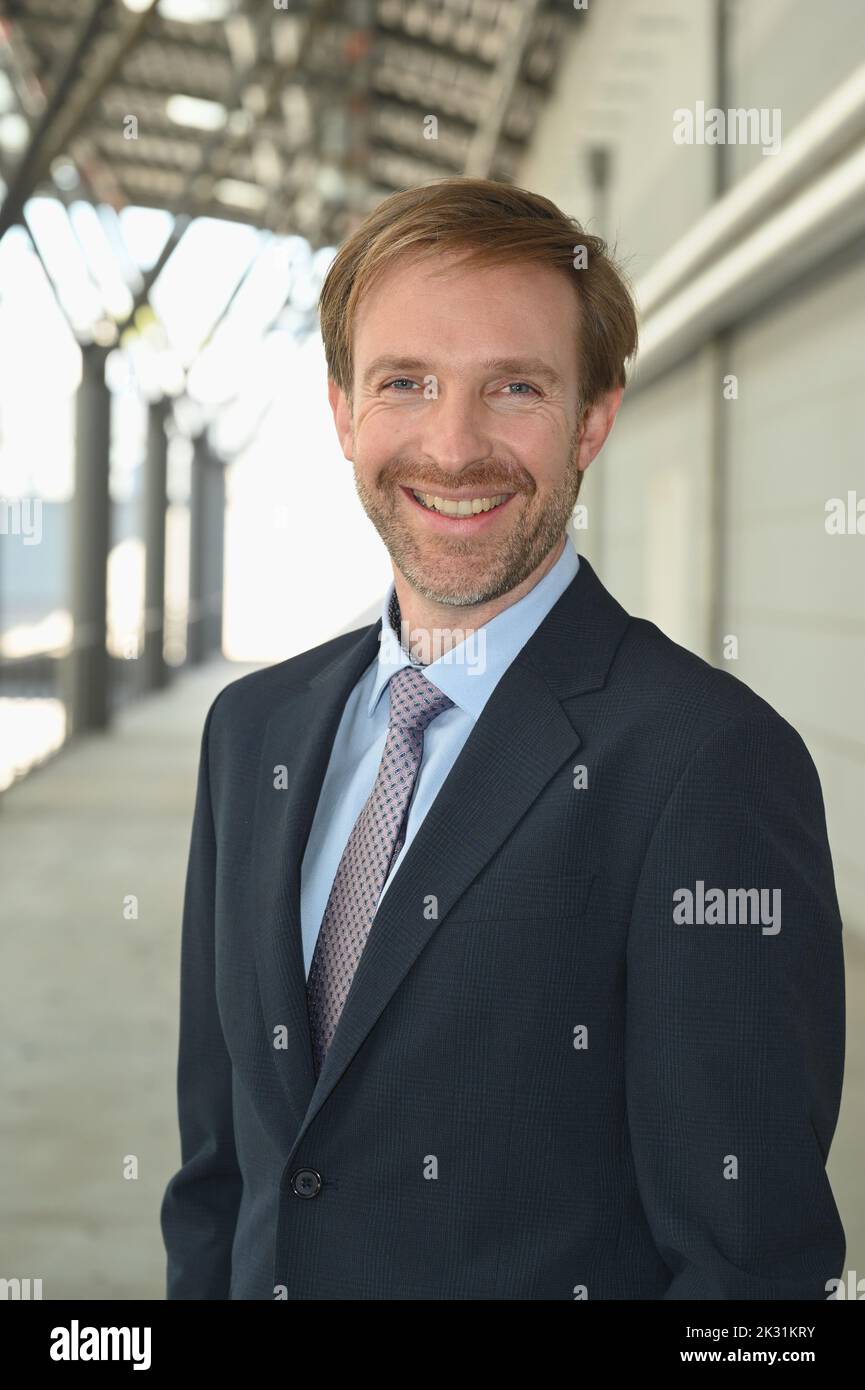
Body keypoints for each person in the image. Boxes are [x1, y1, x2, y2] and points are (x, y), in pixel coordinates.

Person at [160, 177, 845, 1300]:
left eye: (514, 387)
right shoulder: (252, 732)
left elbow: (749, 1273)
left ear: (592, 420)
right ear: (342, 412)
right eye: (406, 383)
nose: (453, 445)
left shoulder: (707, 764)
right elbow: (219, 1171)